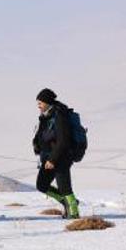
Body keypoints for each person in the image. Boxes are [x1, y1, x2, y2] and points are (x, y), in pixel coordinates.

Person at [32, 88, 80, 219]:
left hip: (61, 157)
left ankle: (74, 214)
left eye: (40, 103)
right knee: (42, 185)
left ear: (47, 102)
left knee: (64, 187)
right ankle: (67, 202)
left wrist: (53, 159)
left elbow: (63, 141)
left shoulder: (60, 115)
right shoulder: (46, 116)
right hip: (47, 157)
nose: (38, 105)